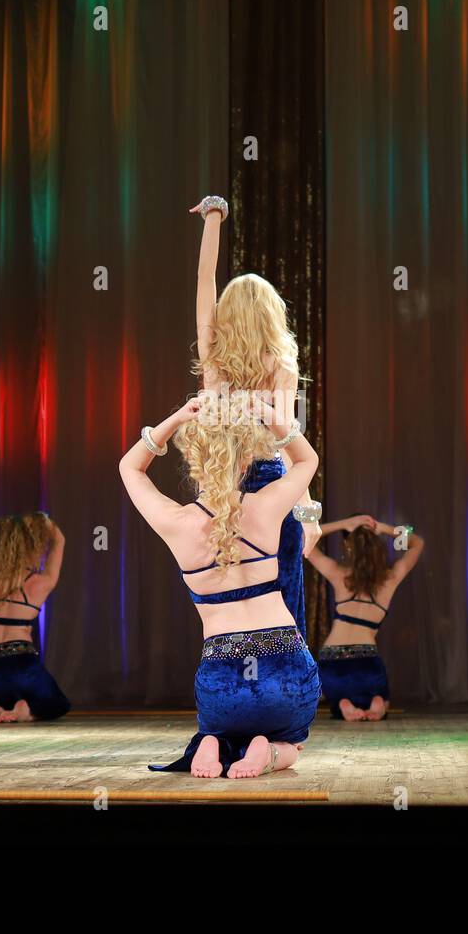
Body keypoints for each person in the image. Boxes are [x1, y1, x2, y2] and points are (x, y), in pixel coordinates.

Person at [120, 390, 320, 778]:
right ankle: (272, 751)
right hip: (284, 669)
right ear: (247, 459)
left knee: (223, 724)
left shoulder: (176, 523)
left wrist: (176, 418)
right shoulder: (266, 507)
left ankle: (214, 740)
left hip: (222, 682)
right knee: (293, 740)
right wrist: (266, 412)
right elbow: (306, 458)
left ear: (193, 460)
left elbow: (130, 468)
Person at [190, 196, 322, 637]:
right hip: (269, 487)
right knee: (281, 597)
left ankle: (231, 689)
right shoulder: (281, 365)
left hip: (222, 486)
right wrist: (308, 515)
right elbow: (288, 446)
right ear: (271, 316)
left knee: (227, 598)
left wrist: (215, 216)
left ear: (228, 315)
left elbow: (205, 279)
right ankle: (286, 693)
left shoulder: (214, 355)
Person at [307, 514, 424, 721]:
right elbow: (417, 542)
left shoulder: (338, 574)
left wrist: (343, 524)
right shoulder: (390, 579)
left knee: (336, 696)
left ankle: (342, 703)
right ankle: (378, 701)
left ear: (349, 548)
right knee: (379, 695)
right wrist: (385, 528)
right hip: (367, 661)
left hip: (333, 661)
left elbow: (302, 538)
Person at [0, 512, 70, 723]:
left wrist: (0, 527)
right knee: (56, 703)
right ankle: (24, 709)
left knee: (4, 690)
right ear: (33, 548)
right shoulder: (41, 582)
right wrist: (45, 522)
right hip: (20, 664)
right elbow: (59, 539)